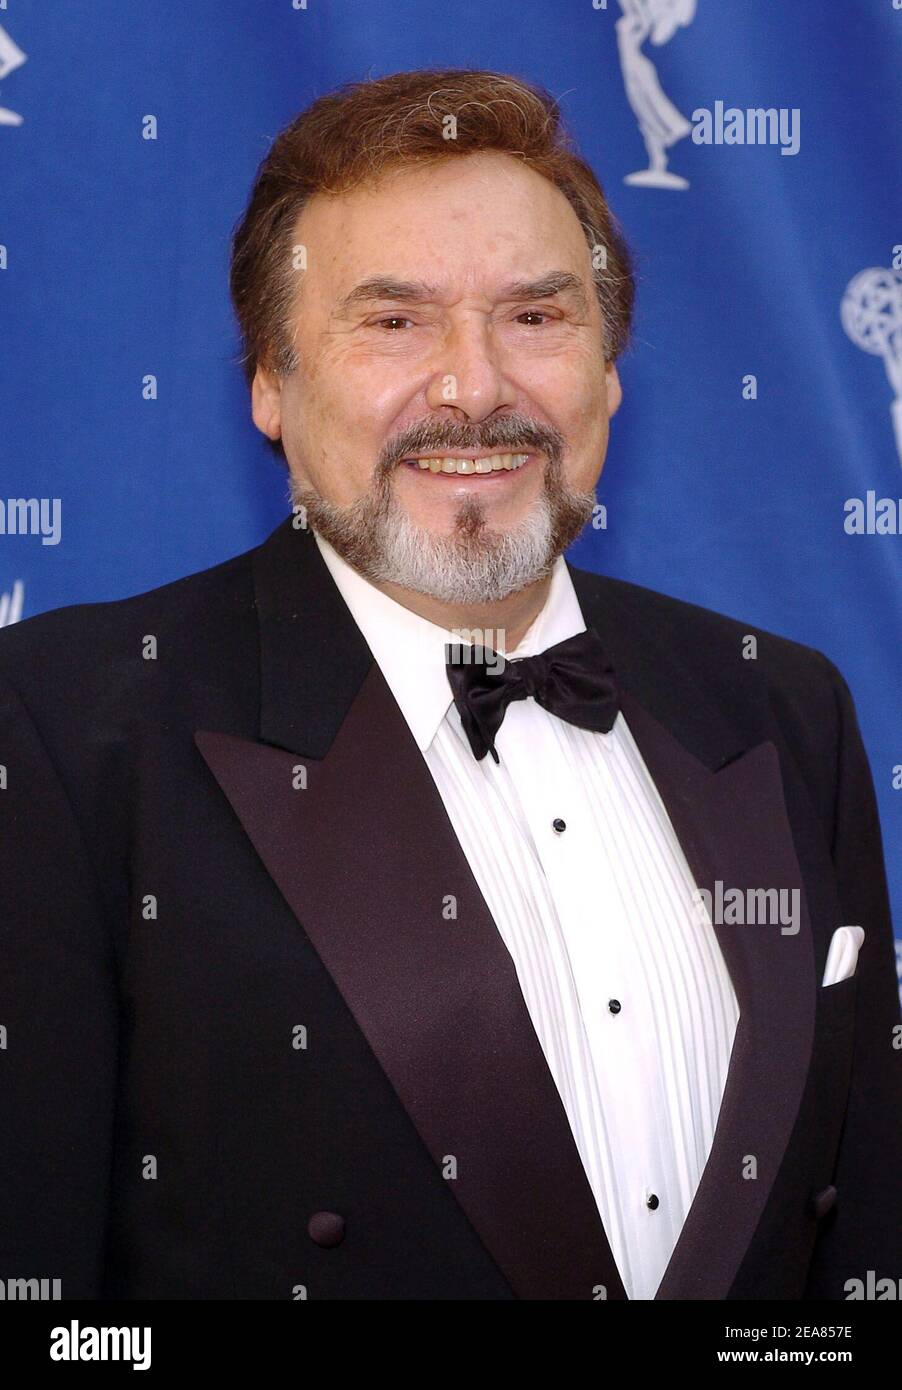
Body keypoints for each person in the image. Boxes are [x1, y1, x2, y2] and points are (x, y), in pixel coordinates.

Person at [1, 68, 899, 1301]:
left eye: (536, 317)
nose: (473, 388)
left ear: (608, 367)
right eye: (393, 321)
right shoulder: (64, 725)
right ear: (269, 381)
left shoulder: (781, 704)